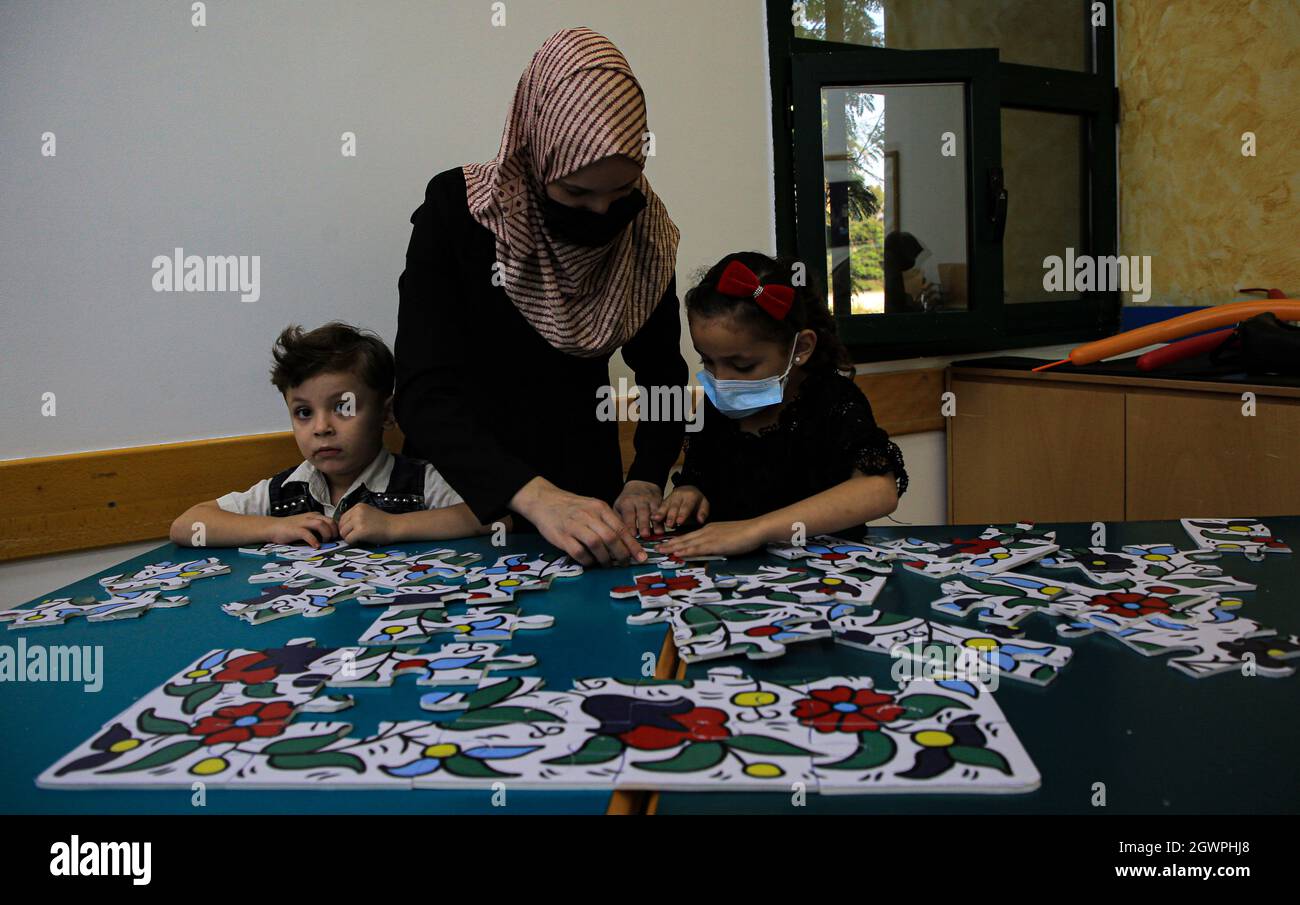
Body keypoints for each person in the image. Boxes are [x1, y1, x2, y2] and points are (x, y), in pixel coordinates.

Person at [394, 27, 688, 568]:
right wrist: (536, 496)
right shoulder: (460, 216)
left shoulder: (646, 232)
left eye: (621, 192)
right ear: (535, 156)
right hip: (457, 504)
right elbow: (422, 392)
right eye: (576, 193)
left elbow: (663, 375)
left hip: (587, 504)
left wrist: (647, 474)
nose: (603, 214)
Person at [654, 252, 908, 558]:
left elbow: (878, 491)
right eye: (707, 361)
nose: (721, 379)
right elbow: (701, 475)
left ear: (800, 348)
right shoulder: (714, 408)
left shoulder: (833, 401)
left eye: (742, 366)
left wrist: (755, 529)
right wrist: (689, 493)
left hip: (824, 574)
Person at [170, 322, 493, 548]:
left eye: (343, 407)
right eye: (304, 412)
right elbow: (187, 525)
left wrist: (396, 526)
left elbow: (494, 518)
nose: (321, 427)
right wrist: (273, 526)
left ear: (387, 413)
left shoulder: (419, 483)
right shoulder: (283, 492)